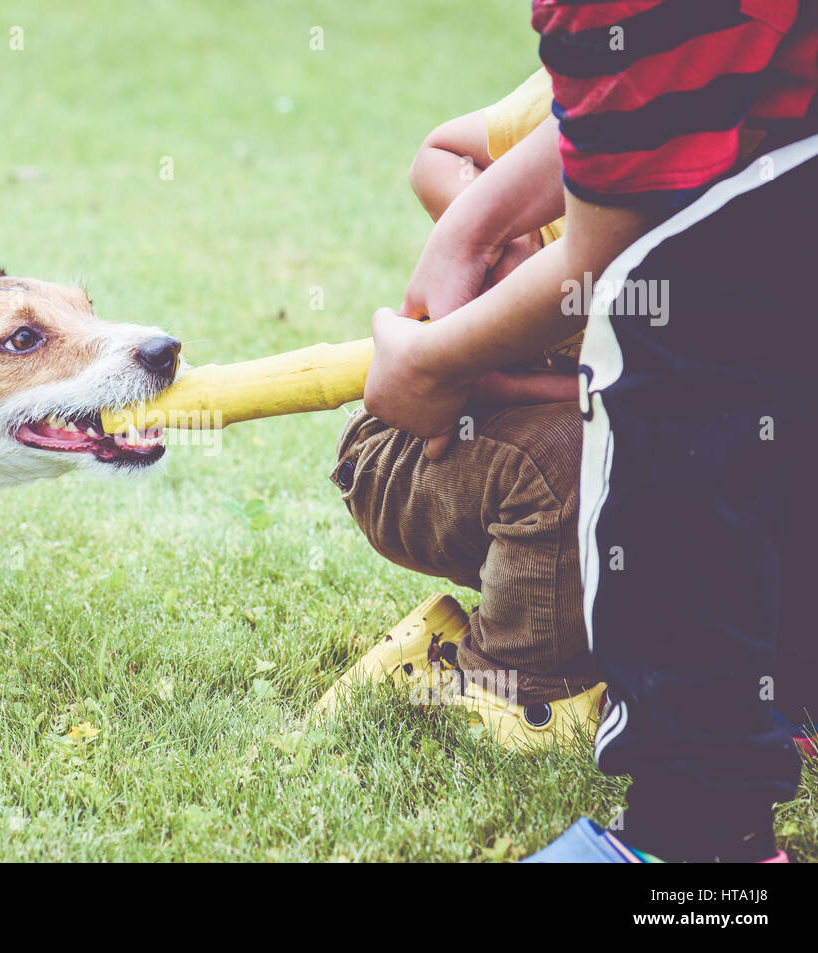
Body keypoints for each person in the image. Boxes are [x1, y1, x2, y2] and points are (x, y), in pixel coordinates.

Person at [366, 1, 818, 862]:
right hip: (442, 444)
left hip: (517, 399)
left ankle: (698, 844)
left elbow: (624, 250)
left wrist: (436, 363)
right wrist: (478, 224)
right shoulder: (621, 70)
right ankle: (775, 697)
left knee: (678, 325)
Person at [320, 69, 599, 752]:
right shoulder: (610, 85)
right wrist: (497, 225)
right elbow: (438, 152)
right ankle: (507, 682)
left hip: (610, 426)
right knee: (573, 454)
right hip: (420, 439)